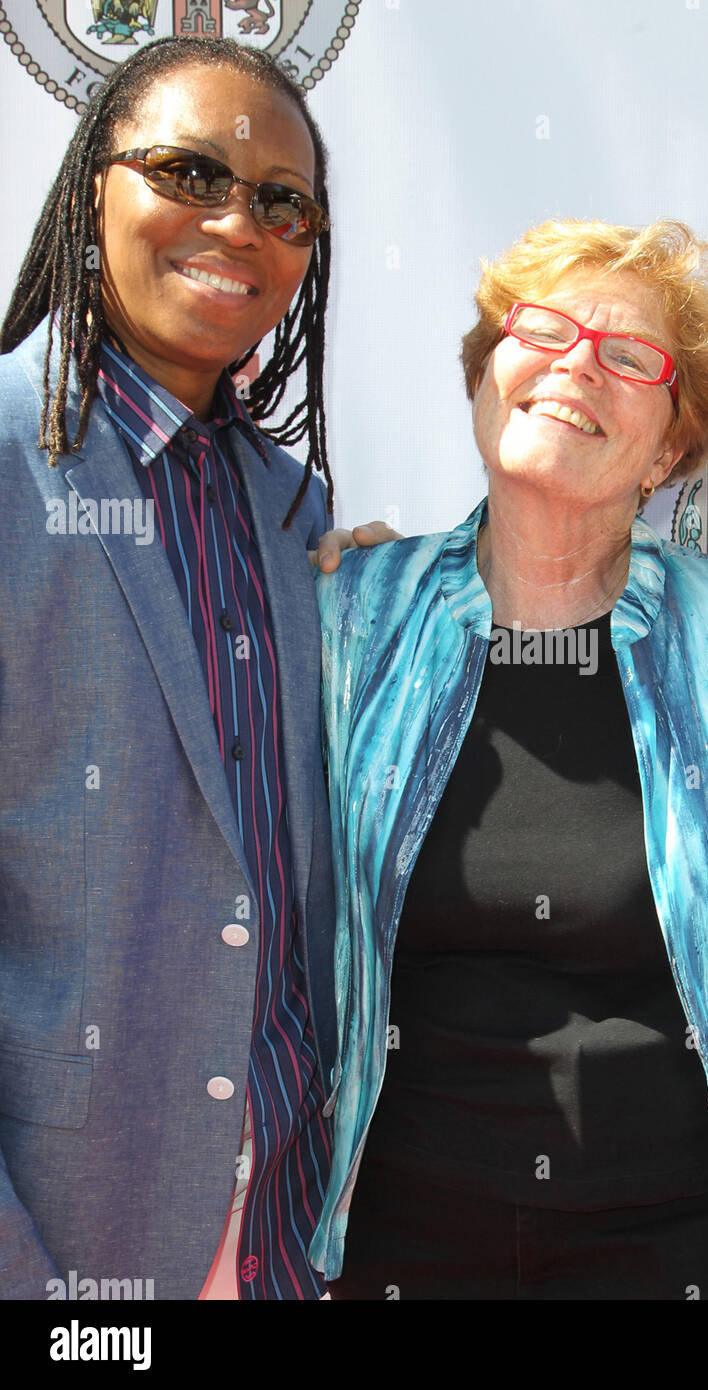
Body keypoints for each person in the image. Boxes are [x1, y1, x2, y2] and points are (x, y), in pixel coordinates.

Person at [309, 219, 708, 1299]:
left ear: (667, 454)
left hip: (671, 1244)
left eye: (630, 357)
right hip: (399, 1238)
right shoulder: (353, 615)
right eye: (543, 332)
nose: (577, 365)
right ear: (486, 375)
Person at [0, 36, 338, 1299]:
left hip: (290, 1225)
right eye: (189, 173)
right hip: (72, 1239)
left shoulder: (296, 511)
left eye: (281, 203)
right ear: (93, 187)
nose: (237, 223)